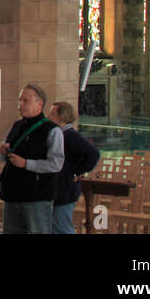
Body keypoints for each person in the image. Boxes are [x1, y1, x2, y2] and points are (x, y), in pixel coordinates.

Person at [0, 84, 63, 234]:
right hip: (12, 194)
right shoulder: (17, 126)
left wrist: (26, 164)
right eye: (20, 100)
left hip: (36, 197)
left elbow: (56, 164)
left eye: (25, 100)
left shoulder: (52, 130)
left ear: (39, 104)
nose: (20, 104)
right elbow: (3, 156)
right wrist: (2, 152)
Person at [47, 100, 100, 234]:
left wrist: (76, 171)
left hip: (65, 190)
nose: (49, 117)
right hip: (57, 189)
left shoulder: (70, 136)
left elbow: (93, 154)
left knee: (61, 228)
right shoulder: (59, 135)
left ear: (62, 116)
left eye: (52, 114)